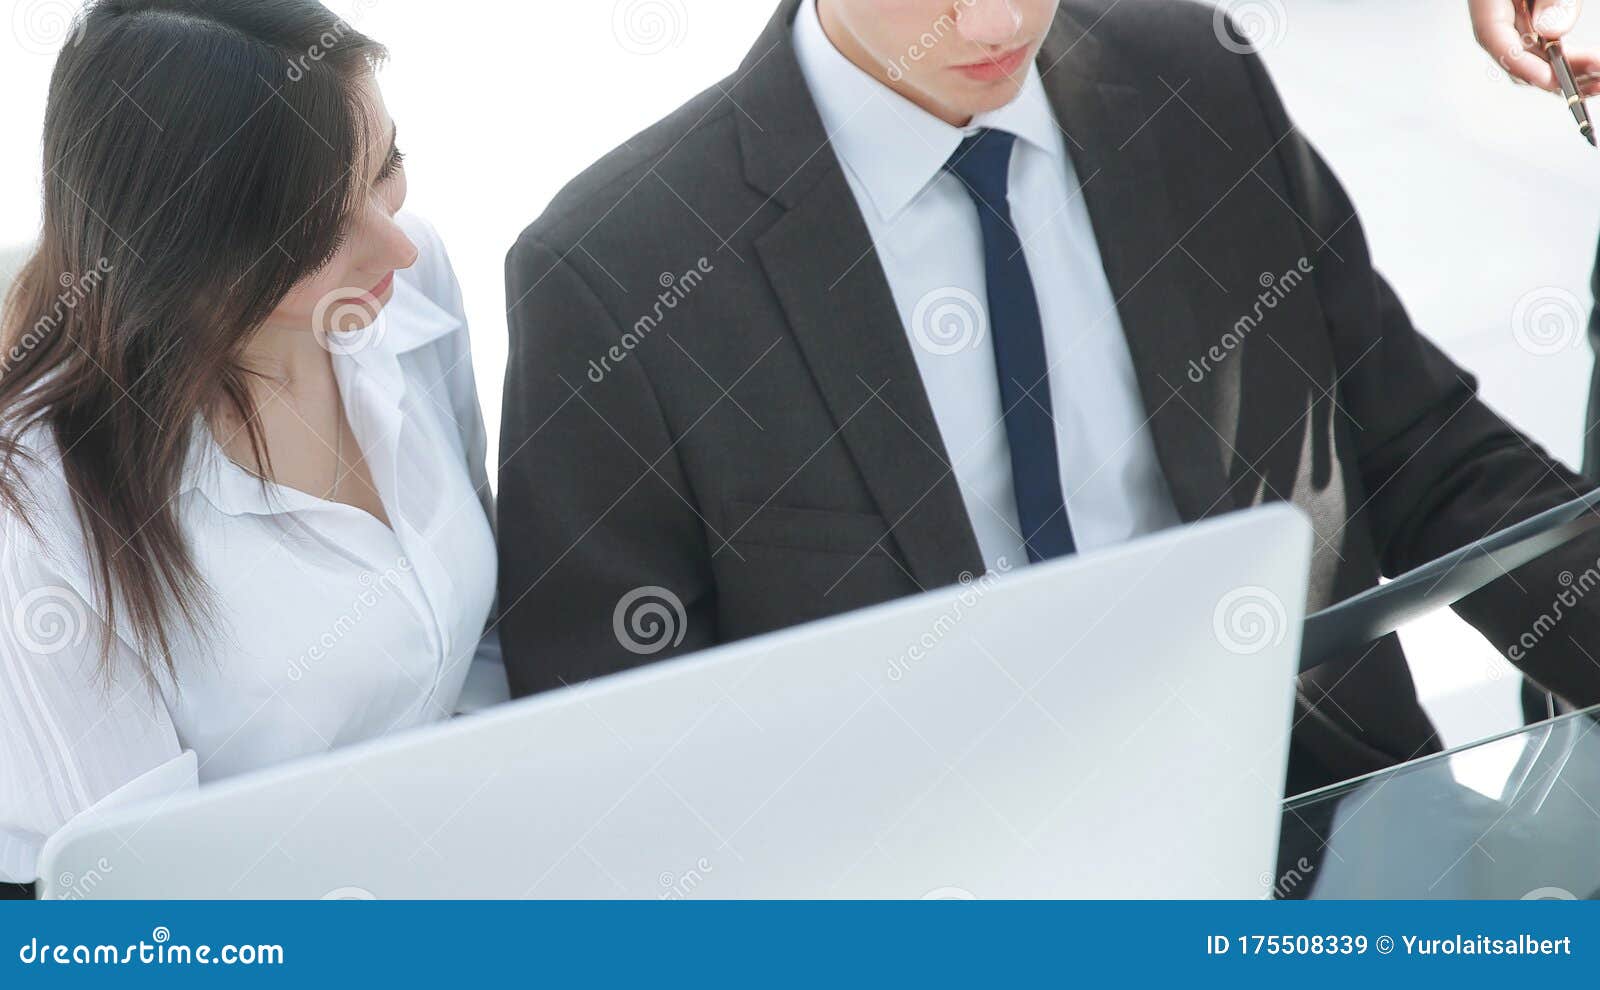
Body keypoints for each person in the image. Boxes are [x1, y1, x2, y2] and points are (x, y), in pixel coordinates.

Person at [498, 0, 1600, 798]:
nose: (996, 24)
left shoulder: (1190, 76)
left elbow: (1420, 451)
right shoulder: (615, 272)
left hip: (1326, 846)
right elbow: (619, 762)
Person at [0, 0, 499, 893]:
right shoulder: (40, 513)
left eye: (388, 167)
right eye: (320, 229)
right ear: (179, 253)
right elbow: (141, 903)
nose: (395, 243)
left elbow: (491, 659)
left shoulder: (404, 285)